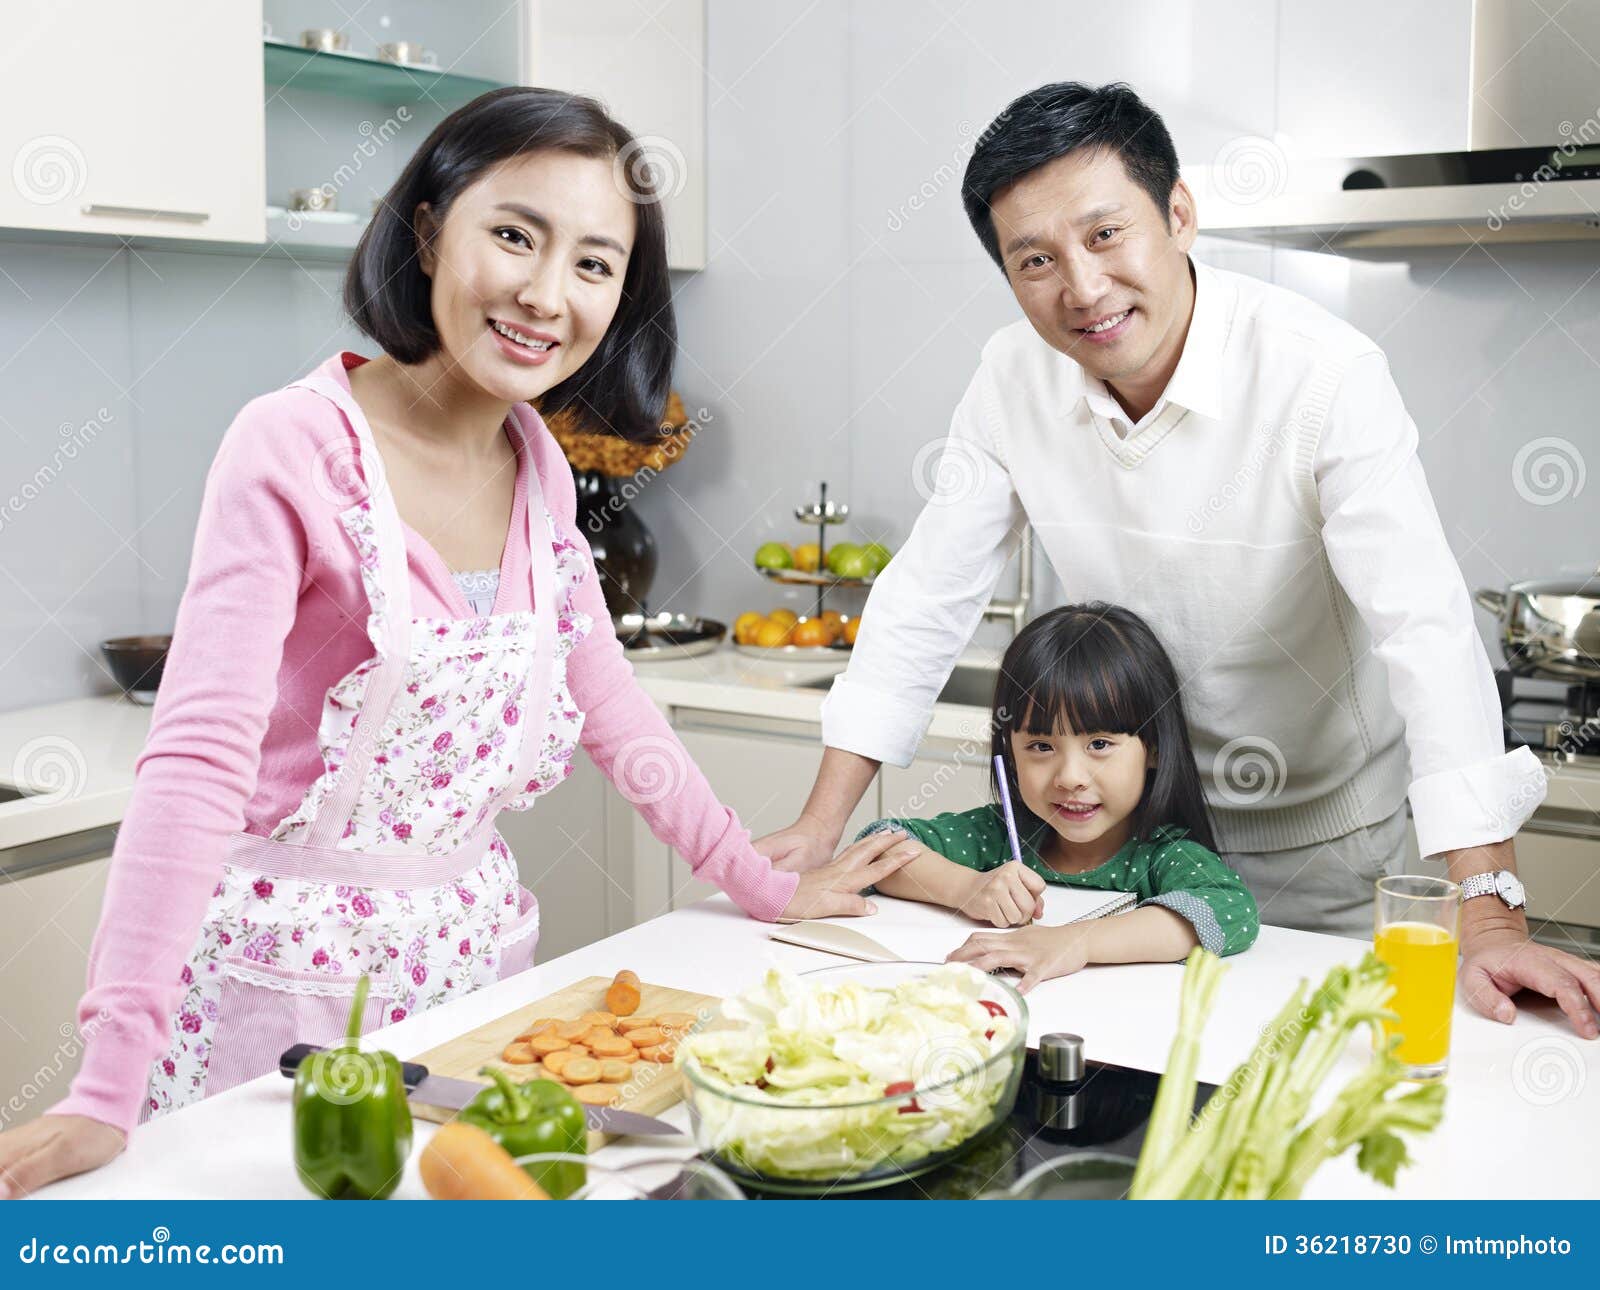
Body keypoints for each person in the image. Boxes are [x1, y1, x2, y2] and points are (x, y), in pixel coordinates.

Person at [0, 87, 912, 1199]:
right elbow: (193, 768)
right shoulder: (291, 448)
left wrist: (757, 883)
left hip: (471, 970)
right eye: (514, 235)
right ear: (431, 229)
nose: (543, 294)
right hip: (285, 985)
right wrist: (104, 1083)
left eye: (592, 263)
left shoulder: (536, 463)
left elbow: (615, 713)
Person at [758, 81, 1600, 1038]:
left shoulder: (1323, 375)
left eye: (1106, 234)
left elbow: (1427, 632)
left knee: (1296, 1126)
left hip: (1320, 848)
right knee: (1130, 1113)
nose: (1080, 286)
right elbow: (924, 600)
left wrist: (1487, 912)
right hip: (1125, 848)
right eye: (1035, 259)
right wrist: (821, 827)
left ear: (1181, 214)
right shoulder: (1009, 379)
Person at [856, 604, 1258, 993]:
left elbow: (1230, 911)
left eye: (1099, 744)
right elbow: (876, 849)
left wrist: (1076, 942)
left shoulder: (1160, 853)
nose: (1070, 778)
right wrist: (967, 889)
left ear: (1152, 748)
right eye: (1041, 746)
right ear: (1009, 754)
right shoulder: (999, 835)